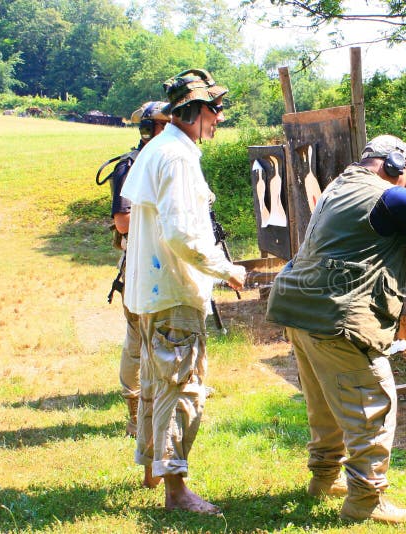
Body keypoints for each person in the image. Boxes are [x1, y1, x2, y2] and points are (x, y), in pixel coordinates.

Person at [265, 135, 406, 524]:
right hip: (336, 318)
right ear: (391, 164)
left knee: (325, 405)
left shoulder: (341, 184)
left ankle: (324, 478)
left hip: (299, 307)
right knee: (373, 405)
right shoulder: (391, 197)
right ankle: (365, 501)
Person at [120, 68, 245, 514]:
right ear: (193, 111)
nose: (219, 119)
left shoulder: (161, 148)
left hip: (154, 292)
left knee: (156, 385)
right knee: (183, 387)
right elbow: (182, 235)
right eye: (215, 110)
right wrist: (226, 269)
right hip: (172, 292)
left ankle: (152, 470)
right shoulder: (176, 156)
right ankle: (177, 491)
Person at [99, 101, 170, 438]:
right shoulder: (131, 165)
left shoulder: (162, 160)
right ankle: (134, 411)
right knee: (137, 340)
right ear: (149, 129)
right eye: (164, 124)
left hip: (161, 264)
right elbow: (123, 222)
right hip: (140, 264)